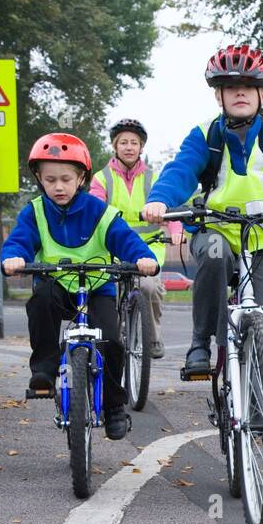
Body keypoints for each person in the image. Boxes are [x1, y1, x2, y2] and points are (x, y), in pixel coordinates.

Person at [142, 43, 263, 481]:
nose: (240, 92)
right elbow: (180, 171)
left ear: (262, 93)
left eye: (249, 86)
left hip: (262, 242)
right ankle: (200, 342)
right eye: (230, 86)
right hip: (215, 233)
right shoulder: (205, 135)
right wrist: (159, 200)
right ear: (218, 94)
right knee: (212, 253)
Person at [1, 132, 160, 441]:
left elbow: (124, 238)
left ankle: (114, 407)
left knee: (112, 341)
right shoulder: (33, 212)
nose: (58, 186)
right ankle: (44, 370)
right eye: (50, 180)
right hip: (57, 285)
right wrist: (13, 258)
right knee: (40, 300)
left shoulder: (99, 211)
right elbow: (19, 240)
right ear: (39, 178)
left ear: (82, 178)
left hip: (97, 286)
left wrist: (143, 257)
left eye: (65, 179)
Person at [88, 117, 184, 360]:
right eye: (123, 142)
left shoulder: (154, 179)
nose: (129, 147)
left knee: (149, 287)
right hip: (111, 249)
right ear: (115, 147)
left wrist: (176, 232)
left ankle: (152, 337)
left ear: (141, 148)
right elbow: (94, 209)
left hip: (147, 250)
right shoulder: (102, 178)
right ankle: (107, 339)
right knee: (104, 293)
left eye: (134, 142)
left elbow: (170, 209)